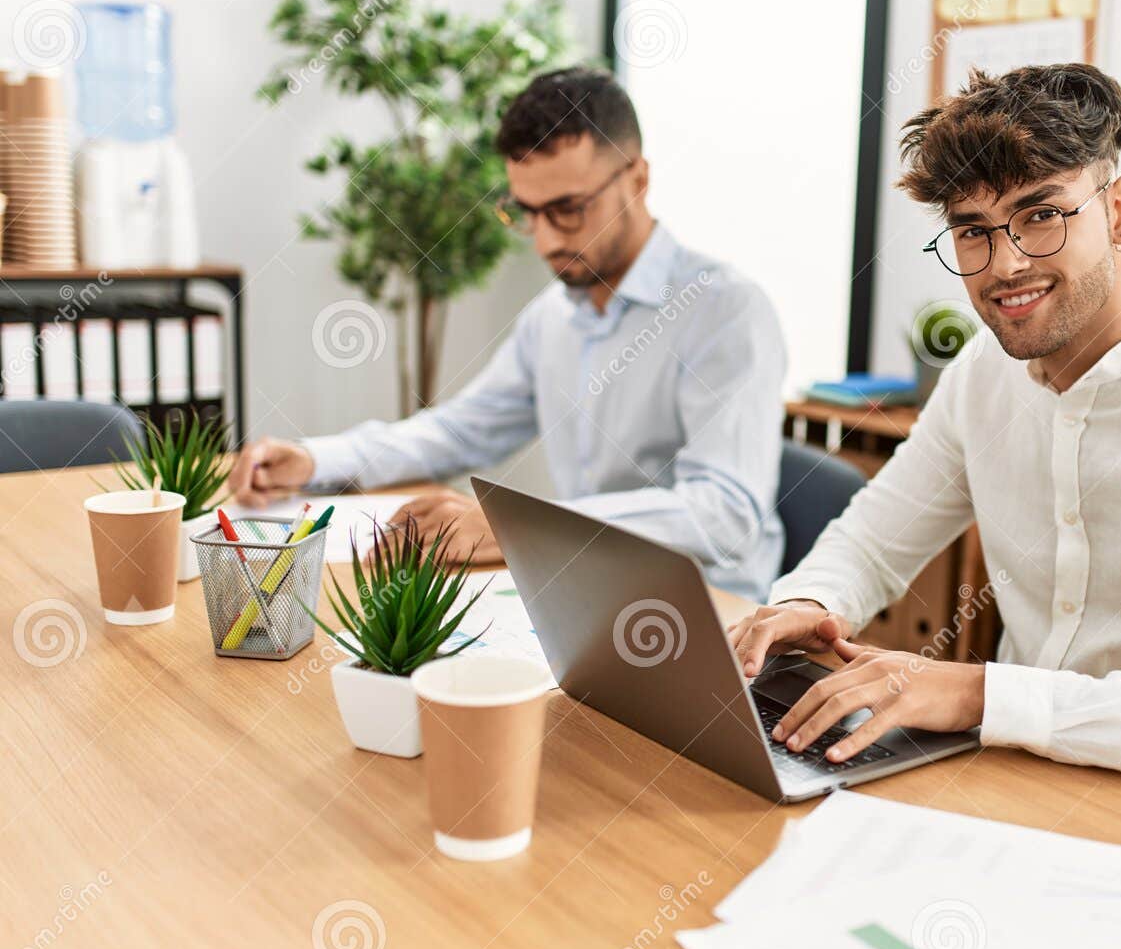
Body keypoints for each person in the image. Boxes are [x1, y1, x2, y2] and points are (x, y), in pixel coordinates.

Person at [728, 63, 1121, 809]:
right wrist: (812, 598)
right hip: (1015, 795)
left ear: (1120, 211)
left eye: (1041, 215)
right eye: (974, 231)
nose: (1006, 264)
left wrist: (983, 695)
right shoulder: (982, 376)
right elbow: (875, 540)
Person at [229, 67, 786, 599]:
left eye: (567, 210)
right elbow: (459, 431)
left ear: (637, 179)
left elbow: (726, 514)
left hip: (714, 614)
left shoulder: (724, 311)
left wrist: (516, 528)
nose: (544, 242)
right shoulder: (553, 317)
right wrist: (319, 460)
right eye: (527, 212)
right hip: (585, 587)